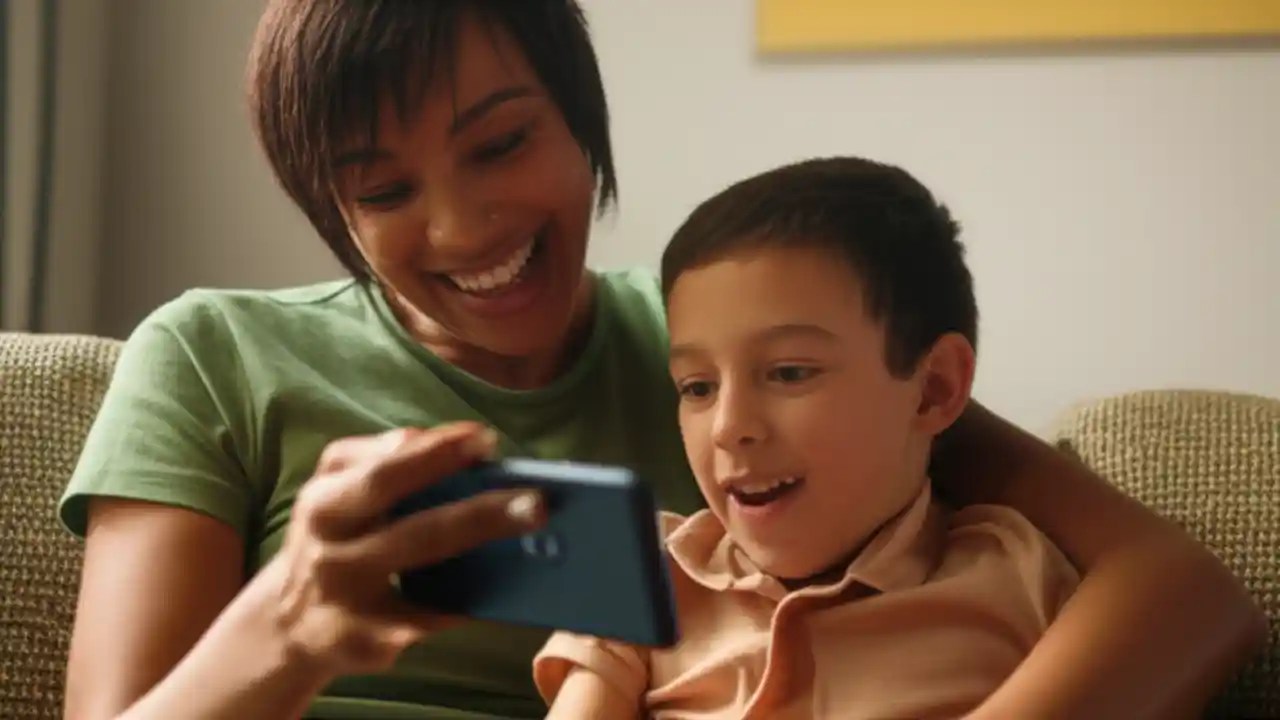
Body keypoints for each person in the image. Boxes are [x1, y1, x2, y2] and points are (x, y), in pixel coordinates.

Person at [57, 2, 1263, 719]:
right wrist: (294, 619)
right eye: (383, 191)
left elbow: (1177, 592)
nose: (466, 228)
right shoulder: (216, 355)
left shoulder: (721, 354)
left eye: (503, 143)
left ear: (580, 119)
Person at [535, 155, 1082, 718]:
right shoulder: (640, 573)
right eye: (697, 387)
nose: (729, 427)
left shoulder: (1020, 581)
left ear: (934, 390)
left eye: (790, 373)